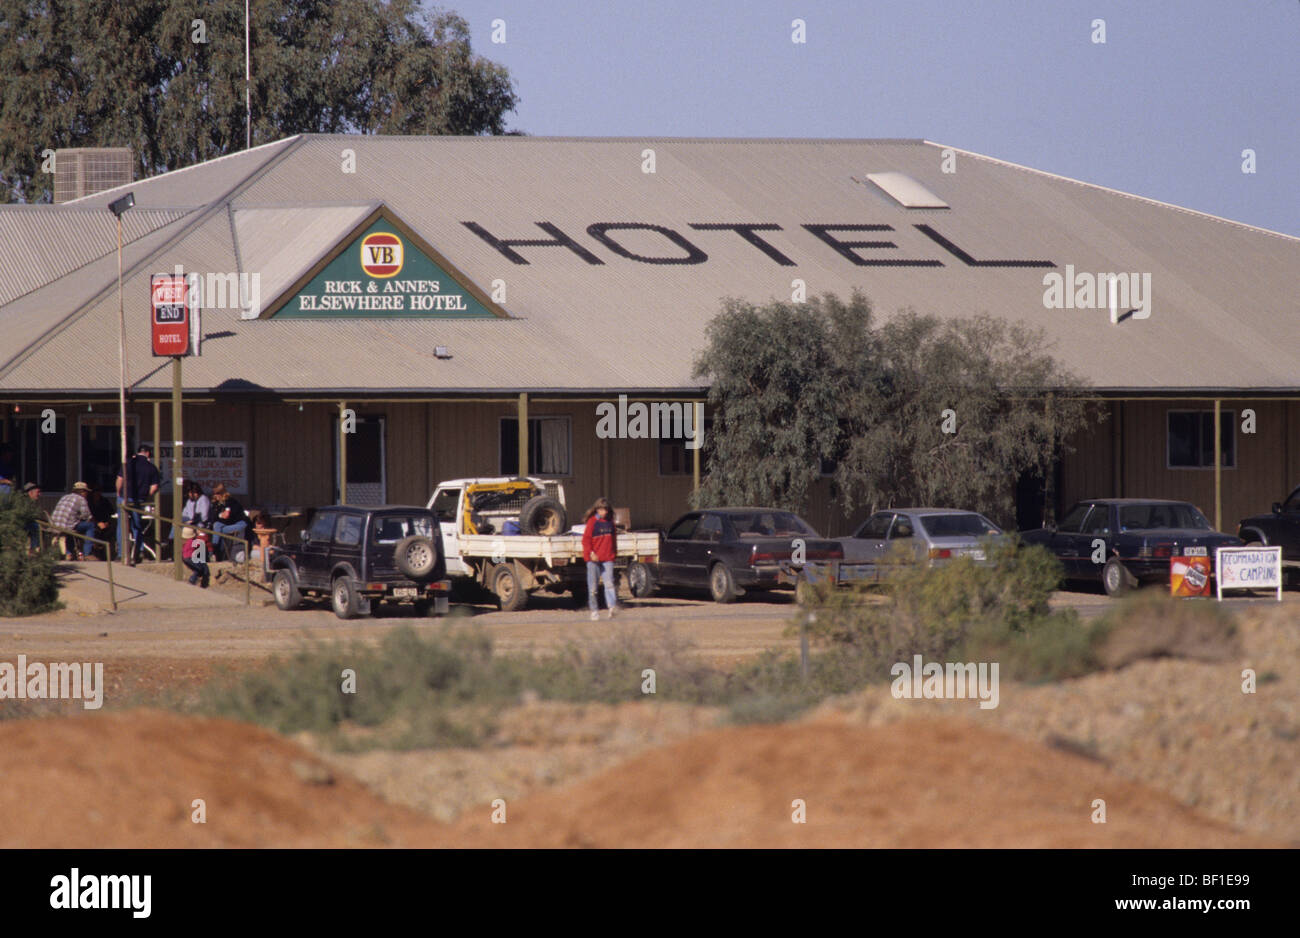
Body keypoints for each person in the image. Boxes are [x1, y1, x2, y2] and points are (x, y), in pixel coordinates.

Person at [115, 442, 161, 565]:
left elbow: (119, 480)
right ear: (148, 453)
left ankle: (121, 554)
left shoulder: (128, 464)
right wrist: (145, 495)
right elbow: (154, 487)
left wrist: (118, 493)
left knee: (122, 526)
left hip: (124, 498)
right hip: (138, 500)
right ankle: (138, 552)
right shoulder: (151, 468)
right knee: (137, 526)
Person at [581, 496, 619, 620]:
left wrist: (614, 554)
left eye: (606, 509)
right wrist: (591, 553)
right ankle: (594, 611)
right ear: (597, 509)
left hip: (608, 558)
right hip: (593, 560)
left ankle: (612, 608)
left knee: (609, 584)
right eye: (602, 509)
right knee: (593, 588)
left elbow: (614, 540)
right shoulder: (592, 522)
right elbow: (586, 540)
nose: (604, 512)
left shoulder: (611, 522)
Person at [50, 482, 96, 560]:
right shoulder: (81, 499)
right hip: (67, 526)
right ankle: (87, 553)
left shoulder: (65, 497)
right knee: (90, 525)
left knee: (72, 526)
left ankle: (69, 553)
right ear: (83, 492)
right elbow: (87, 516)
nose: (87, 494)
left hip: (54, 525)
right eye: (86, 492)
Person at [210, 483, 248, 561]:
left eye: (218, 493)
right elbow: (214, 517)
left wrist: (220, 516)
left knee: (218, 529)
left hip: (239, 524)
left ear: (222, 493)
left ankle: (215, 551)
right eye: (215, 494)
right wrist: (220, 515)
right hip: (227, 524)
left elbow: (228, 517)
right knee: (217, 526)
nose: (216, 496)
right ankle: (216, 551)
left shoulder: (230, 501)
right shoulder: (216, 504)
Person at [85, 484, 116, 560]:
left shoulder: (104, 501)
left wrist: (107, 523)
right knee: (93, 530)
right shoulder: (87, 502)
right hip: (93, 523)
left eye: (99, 491)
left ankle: (109, 555)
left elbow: (111, 513)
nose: (97, 493)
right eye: (95, 491)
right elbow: (87, 516)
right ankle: (92, 552)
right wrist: (97, 523)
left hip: (105, 523)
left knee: (111, 530)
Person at [21, 481, 45, 553]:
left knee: (37, 526)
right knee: (36, 528)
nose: (39, 494)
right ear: (30, 492)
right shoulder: (23, 502)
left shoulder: (30, 502)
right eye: (38, 492)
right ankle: (34, 550)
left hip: (26, 522)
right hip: (21, 523)